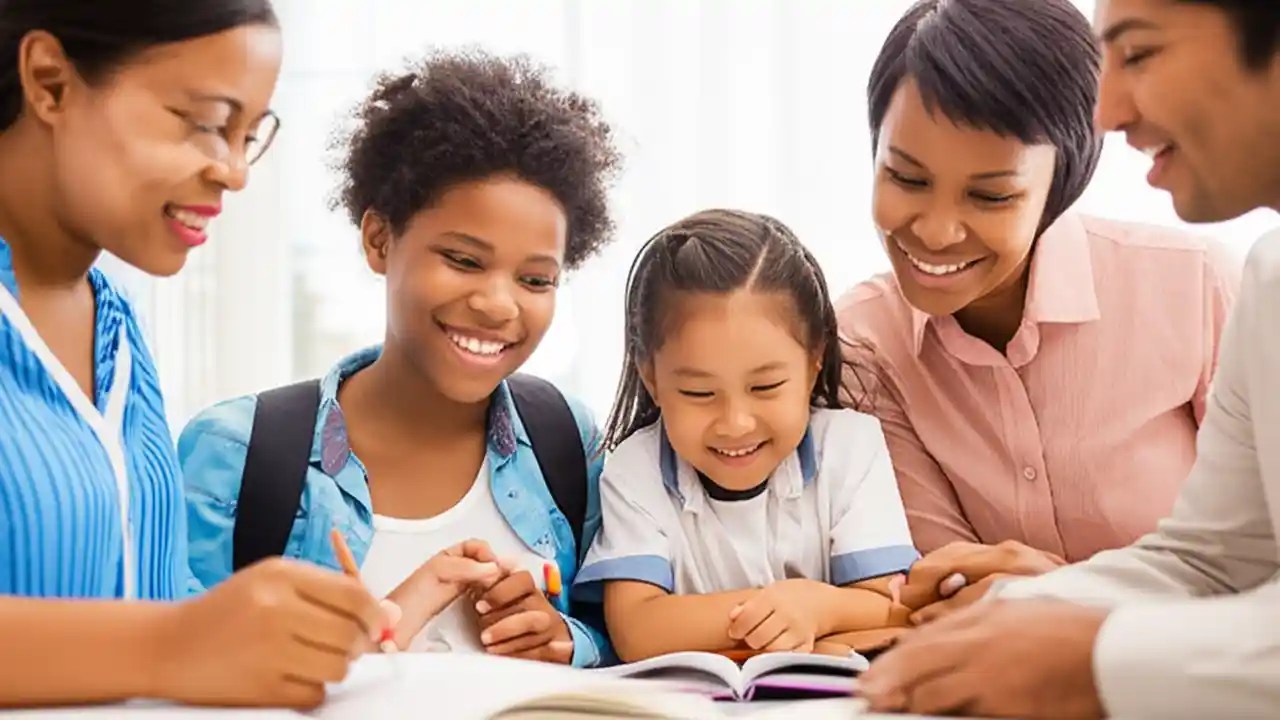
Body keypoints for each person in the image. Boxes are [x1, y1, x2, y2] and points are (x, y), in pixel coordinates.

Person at [858, 0, 1280, 717]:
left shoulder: (1209, 281)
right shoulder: (1271, 279)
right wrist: (1017, 615)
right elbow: (1212, 560)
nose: (1107, 112)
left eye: (1140, 54)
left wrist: (1092, 656)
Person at [0, 0, 392, 709]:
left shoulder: (115, 326)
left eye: (251, 135)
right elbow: (157, 640)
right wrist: (173, 644)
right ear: (49, 81)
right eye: (208, 124)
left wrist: (294, 631)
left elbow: (139, 590)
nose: (235, 172)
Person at [179, 49, 623, 667]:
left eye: (536, 280)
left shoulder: (567, 443)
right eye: (464, 260)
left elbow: (622, 634)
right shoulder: (238, 454)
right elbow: (174, 664)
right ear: (379, 240)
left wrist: (566, 639)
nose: (498, 305)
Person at [573, 209, 918, 662]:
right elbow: (637, 631)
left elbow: (893, 610)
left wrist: (816, 607)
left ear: (815, 360)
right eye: (699, 392)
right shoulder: (634, 469)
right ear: (652, 377)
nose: (735, 422)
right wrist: (799, 611)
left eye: (765, 387)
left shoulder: (851, 447)